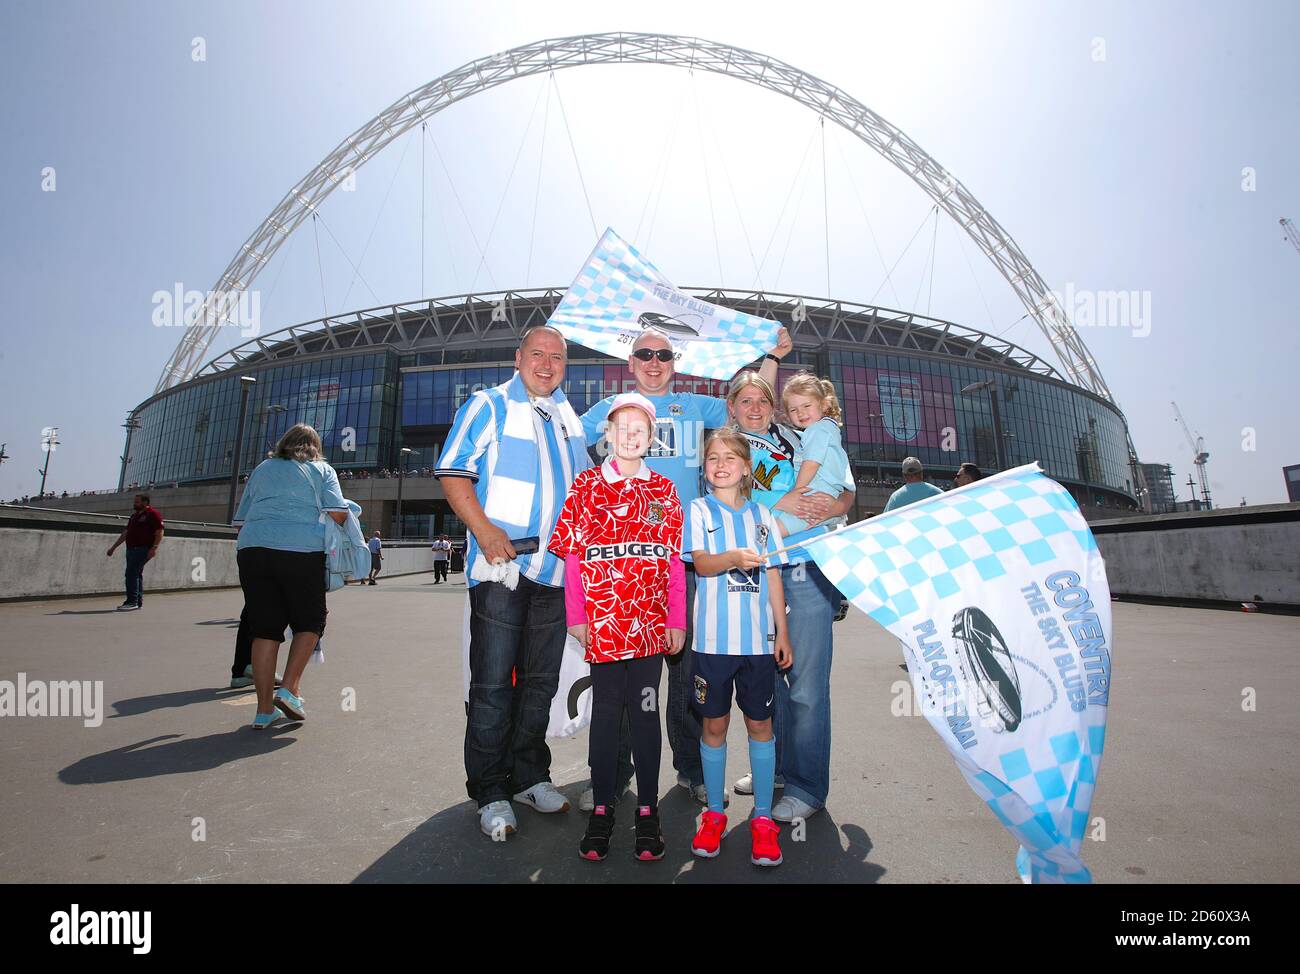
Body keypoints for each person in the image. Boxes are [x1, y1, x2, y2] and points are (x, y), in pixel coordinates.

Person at [577, 326, 777, 810]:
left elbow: (750, 405)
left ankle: (692, 771)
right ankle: (613, 774)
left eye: (663, 354)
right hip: (628, 565)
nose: (653, 361)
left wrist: (772, 353)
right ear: (630, 362)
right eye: (644, 353)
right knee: (626, 679)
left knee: (689, 678)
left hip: (687, 562)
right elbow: (565, 438)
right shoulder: (611, 408)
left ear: (675, 361)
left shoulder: (696, 404)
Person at [435, 324, 591, 839]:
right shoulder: (488, 405)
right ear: (518, 357)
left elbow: (586, 494)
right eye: (538, 354)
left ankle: (528, 775)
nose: (547, 365)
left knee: (542, 685)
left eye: (558, 358)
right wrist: (484, 529)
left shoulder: (570, 419)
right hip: (502, 570)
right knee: (493, 684)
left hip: (556, 575)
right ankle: (489, 789)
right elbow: (454, 470)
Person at [549, 393, 685, 862]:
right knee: (607, 717)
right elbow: (571, 558)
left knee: (646, 716)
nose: (630, 436)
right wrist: (576, 616)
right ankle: (603, 807)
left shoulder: (664, 492)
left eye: (640, 429)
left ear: (651, 438)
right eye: (621, 428)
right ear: (607, 434)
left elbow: (673, 564)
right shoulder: (585, 486)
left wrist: (676, 619)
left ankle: (648, 810)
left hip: (649, 627)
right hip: (604, 626)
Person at [724, 369, 855, 823]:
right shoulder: (724, 446)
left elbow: (846, 490)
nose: (756, 408)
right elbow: (725, 505)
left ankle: (806, 785)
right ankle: (775, 769)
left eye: (763, 400)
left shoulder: (802, 433)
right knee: (766, 680)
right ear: (733, 408)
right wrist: (782, 503)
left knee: (806, 685)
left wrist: (833, 506)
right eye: (746, 401)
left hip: (806, 564)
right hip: (754, 571)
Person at [686, 429, 792, 866]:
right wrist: (733, 557)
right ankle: (713, 813)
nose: (722, 463)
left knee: (760, 726)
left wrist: (782, 633)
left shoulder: (764, 517)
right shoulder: (696, 509)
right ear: (704, 467)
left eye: (731, 457)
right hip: (712, 645)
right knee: (713, 727)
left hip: (757, 646)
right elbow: (701, 562)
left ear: (747, 467)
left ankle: (763, 819)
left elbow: (773, 578)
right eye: (713, 458)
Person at [232, 423, 348, 729]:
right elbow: (338, 513)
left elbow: (240, 518)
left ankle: (263, 710)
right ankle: (289, 688)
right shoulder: (322, 471)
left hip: (253, 550)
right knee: (310, 621)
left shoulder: (263, 468)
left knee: (265, 629)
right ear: (315, 447)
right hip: (300, 550)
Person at [772, 371, 852, 537]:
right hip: (825, 498)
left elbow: (811, 463)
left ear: (823, 405)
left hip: (811, 500)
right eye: (794, 409)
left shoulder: (817, 429)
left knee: (768, 533)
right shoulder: (829, 429)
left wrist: (796, 492)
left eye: (806, 406)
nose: (801, 413)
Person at [106, 493, 164, 610]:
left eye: (137, 502)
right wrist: (114, 547)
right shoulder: (134, 516)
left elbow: (160, 531)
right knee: (136, 573)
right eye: (135, 501)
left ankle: (132, 601)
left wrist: (154, 548)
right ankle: (137, 601)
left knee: (131, 573)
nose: (135, 504)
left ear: (145, 502)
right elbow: (126, 533)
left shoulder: (152, 514)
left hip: (143, 548)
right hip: (131, 549)